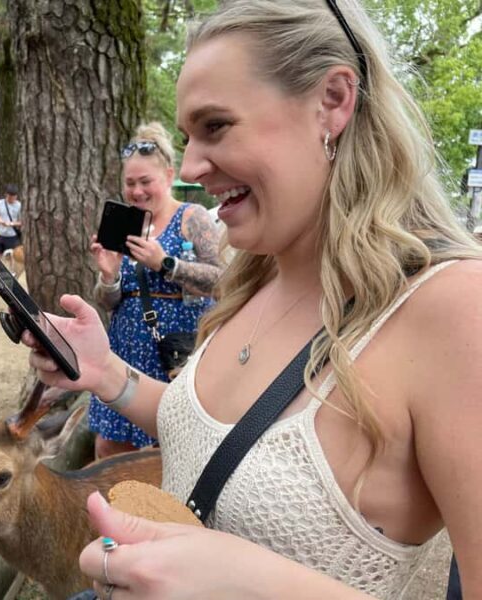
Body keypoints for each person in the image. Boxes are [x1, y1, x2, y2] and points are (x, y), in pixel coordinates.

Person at [24, 1, 482, 598]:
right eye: (186, 136)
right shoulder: (256, 273)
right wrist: (106, 372)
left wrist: (250, 583)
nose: (190, 165)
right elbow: (211, 433)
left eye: (216, 127)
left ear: (333, 101)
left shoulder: (454, 309)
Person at [89, 122, 222, 459]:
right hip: (125, 351)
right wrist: (109, 276)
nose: (136, 191)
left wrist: (166, 263)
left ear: (168, 174)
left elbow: (224, 281)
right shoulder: (128, 225)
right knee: (110, 448)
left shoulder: (192, 217)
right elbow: (109, 302)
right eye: (130, 183)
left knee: (167, 451)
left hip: (172, 356)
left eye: (145, 182)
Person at [0, 183, 23, 258]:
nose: (11, 199)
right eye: (9, 197)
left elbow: (22, 222)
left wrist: (11, 224)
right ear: (6, 194)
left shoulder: (19, 206)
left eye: (13, 197)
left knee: (10, 258)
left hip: (12, 236)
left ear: (16, 196)